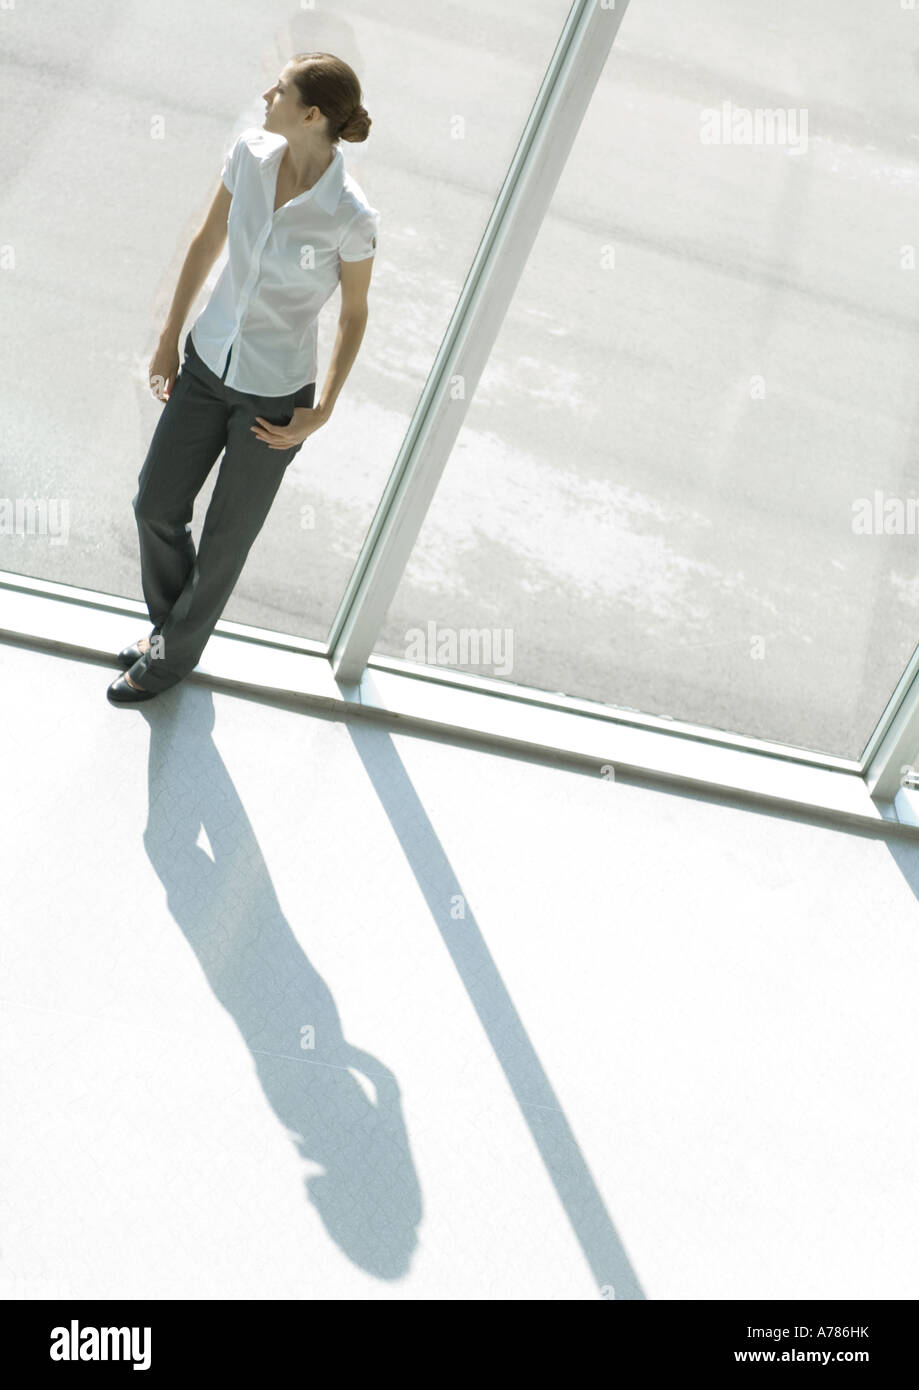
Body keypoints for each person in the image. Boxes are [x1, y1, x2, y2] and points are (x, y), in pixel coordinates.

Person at [108, 52, 379, 704]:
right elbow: (205, 242)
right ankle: (170, 633)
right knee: (155, 506)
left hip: (276, 398)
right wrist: (168, 340)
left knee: (227, 539)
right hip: (206, 363)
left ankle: (168, 658)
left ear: (311, 114)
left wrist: (325, 409)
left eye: (279, 88)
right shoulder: (248, 155)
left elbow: (354, 315)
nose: (267, 93)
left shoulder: (349, 216)